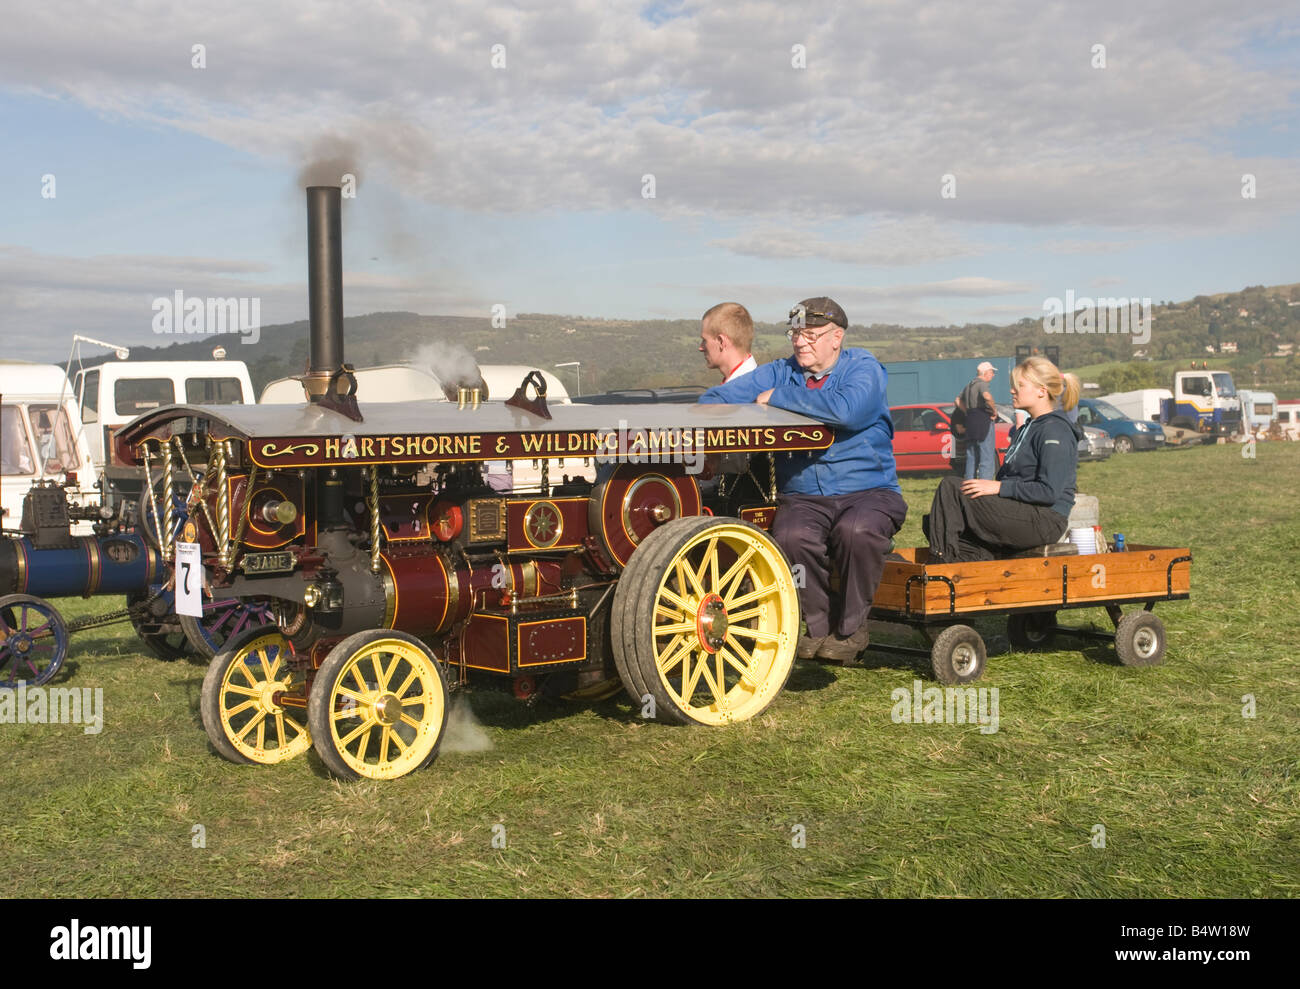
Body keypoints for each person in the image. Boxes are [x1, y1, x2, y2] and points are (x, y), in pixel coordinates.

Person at [700, 296, 906, 664]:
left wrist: (777, 398)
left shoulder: (864, 367)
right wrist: (734, 405)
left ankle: (852, 629)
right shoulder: (780, 370)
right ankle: (815, 628)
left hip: (869, 492)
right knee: (790, 537)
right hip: (805, 497)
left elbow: (847, 411)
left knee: (855, 531)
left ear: (836, 337)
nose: (800, 342)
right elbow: (715, 399)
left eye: (810, 335)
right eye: (795, 334)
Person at [924, 357, 1082, 563]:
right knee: (936, 519)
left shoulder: (1055, 429)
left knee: (951, 489)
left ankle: (941, 569)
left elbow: (1049, 492)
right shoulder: (1027, 429)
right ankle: (980, 565)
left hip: (1045, 519)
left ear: (1041, 391)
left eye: (1020, 386)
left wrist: (999, 487)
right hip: (1021, 510)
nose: (1012, 391)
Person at [956, 361, 998, 479]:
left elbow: (957, 401)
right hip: (983, 419)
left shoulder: (969, 385)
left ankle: (969, 483)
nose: (993, 375)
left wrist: (966, 412)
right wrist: (994, 411)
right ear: (985, 373)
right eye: (991, 372)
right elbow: (987, 396)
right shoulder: (982, 384)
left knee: (971, 455)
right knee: (987, 455)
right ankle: (985, 484)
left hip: (970, 419)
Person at [699, 302, 758, 383]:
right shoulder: (758, 382)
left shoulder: (741, 390)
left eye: (705, 340)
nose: (700, 348)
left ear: (721, 341)